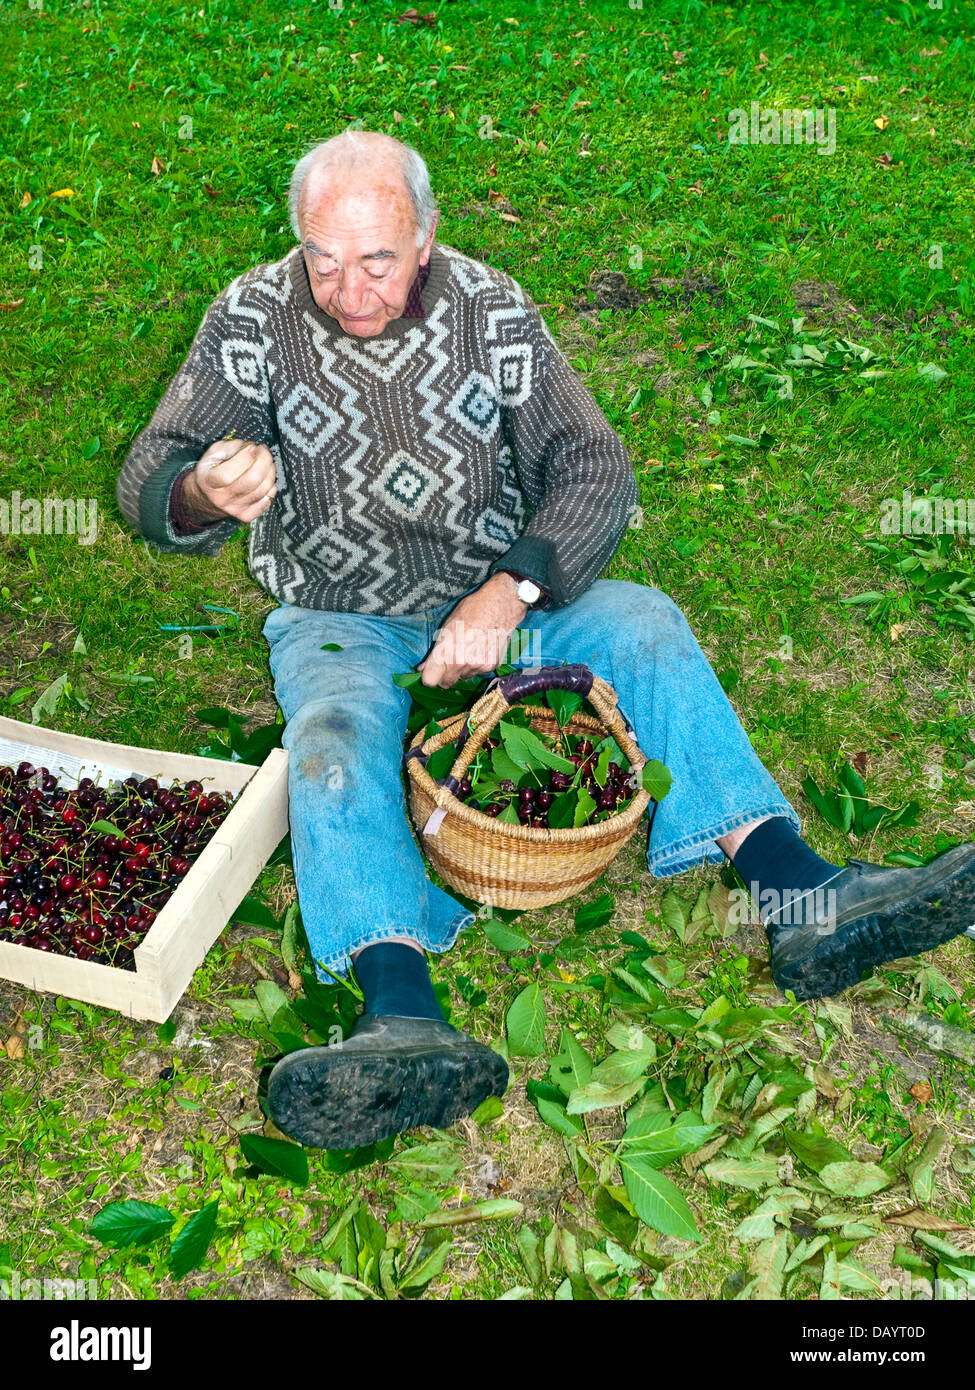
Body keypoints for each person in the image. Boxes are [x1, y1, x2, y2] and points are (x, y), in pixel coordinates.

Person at [116, 130, 975, 1151]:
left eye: (379, 261)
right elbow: (148, 472)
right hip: (338, 615)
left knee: (645, 624)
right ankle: (402, 1011)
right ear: (298, 243)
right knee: (331, 747)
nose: (350, 292)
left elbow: (594, 466)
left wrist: (511, 590)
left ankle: (797, 892)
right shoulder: (252, 316)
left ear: (426, 237)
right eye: (324, 259)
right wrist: (199, 489)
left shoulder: (492, 310)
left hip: (499, 598)